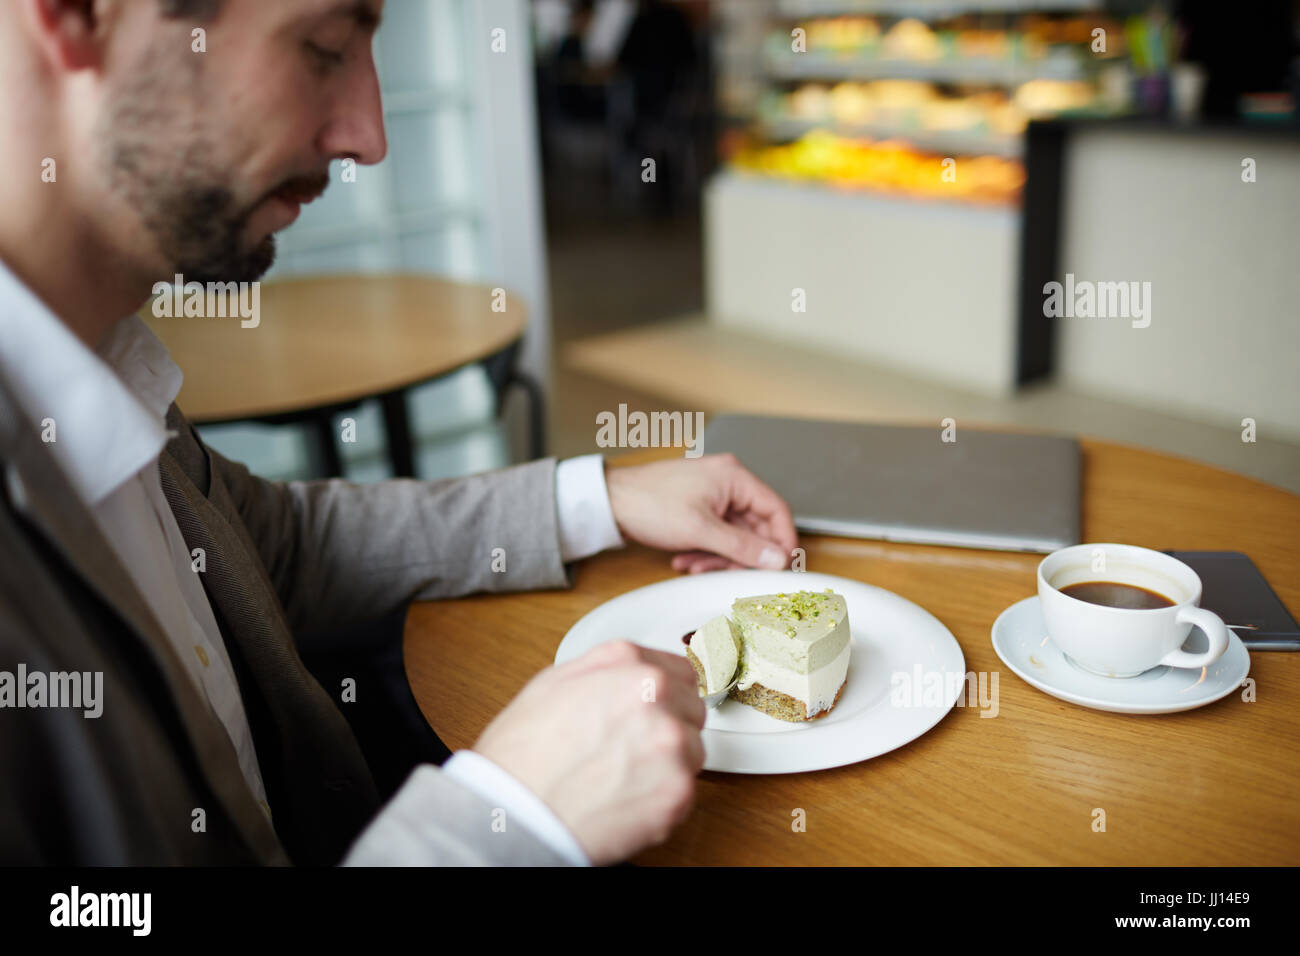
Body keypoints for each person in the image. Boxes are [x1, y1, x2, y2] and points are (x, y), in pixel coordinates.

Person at [0, 0, 797, 865]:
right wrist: (506, 823)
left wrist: (598, 496)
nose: (368, 136)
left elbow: (279, 545)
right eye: (323, 47)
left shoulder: (99, 356)